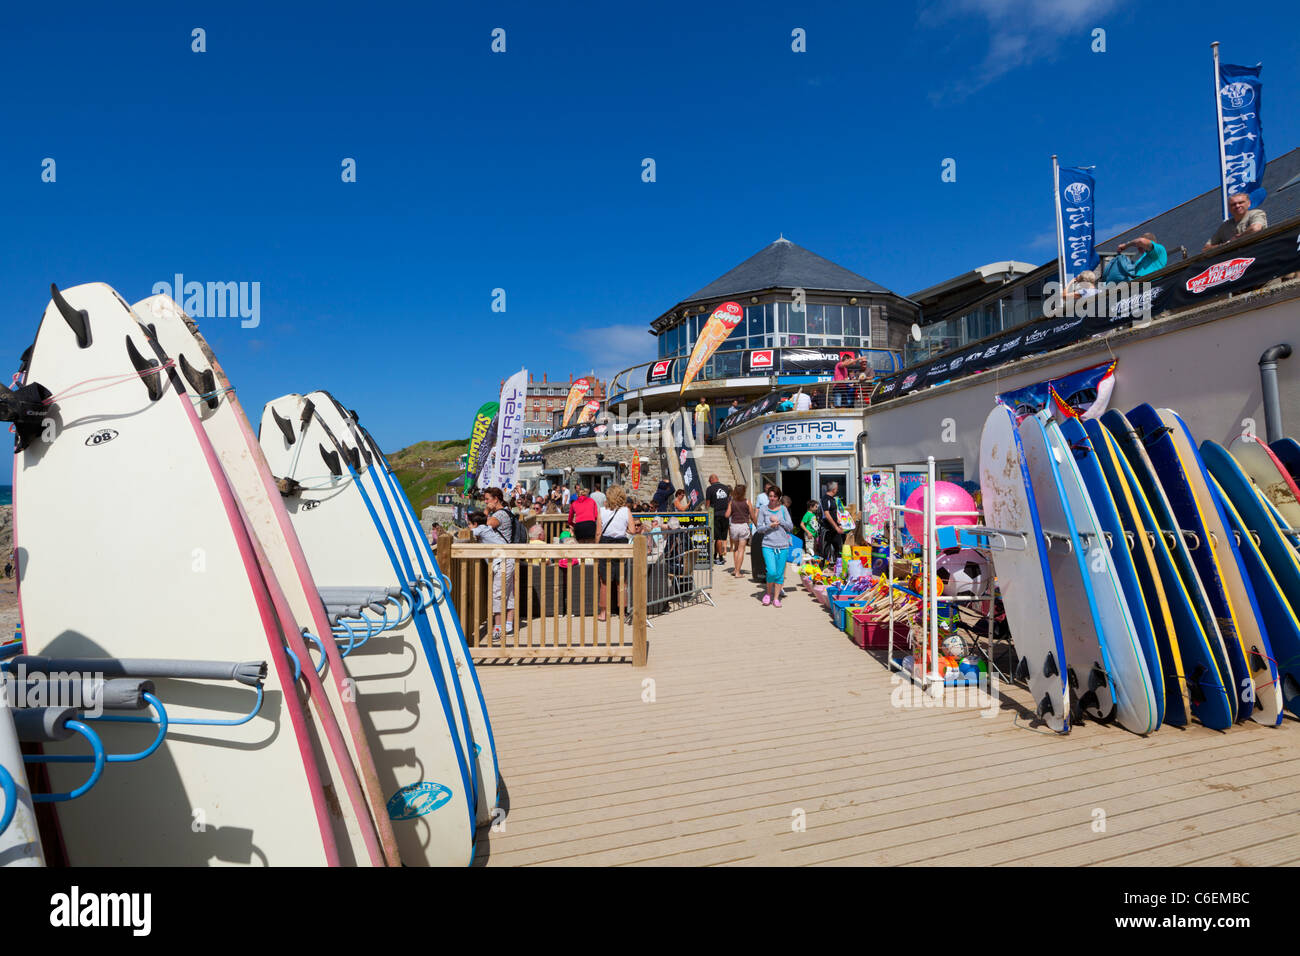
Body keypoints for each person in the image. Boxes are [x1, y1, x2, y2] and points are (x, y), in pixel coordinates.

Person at [477, 488, 518, 642]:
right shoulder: (507, 512)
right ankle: (507, 624)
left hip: (502, 559)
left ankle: (498, 628)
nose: (485, 502)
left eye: (487, 499)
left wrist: (486, 510)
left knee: (498, 593)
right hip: (507, 558)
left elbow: (484, 525)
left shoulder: (499, 515)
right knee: (507, 592)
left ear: (496, 499)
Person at [597, 484, 639, 622]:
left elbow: (598, 533)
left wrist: (597, 547)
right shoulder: (626, 510)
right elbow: (633, 530)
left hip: (605, 545)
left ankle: (603, 613)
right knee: (622, 581)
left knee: (604, 581)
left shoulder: (602, 510)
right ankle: (623, 612)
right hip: (621, 544)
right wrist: (622, 529)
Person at [757, 487, 794, 607]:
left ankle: (776, 598)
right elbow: (759, 528)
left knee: (779, 574)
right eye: (770, 496)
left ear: (779, 497)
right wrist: (770, 525)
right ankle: (768, 594)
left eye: (774, 496)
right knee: (771, 571)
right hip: (768, 544)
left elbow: (790, 527)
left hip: (783, 545)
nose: (772, 499)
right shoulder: (763, 509)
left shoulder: (783, 509)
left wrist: (780, 521)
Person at [725, 483, 752, 577]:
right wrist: (757, 524)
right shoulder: (747, 502)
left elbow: (727, 515)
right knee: (741, 550)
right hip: (743, 526)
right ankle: (737, 572)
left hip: (734, 527)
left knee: (736, 549)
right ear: (744, 492)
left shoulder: (732, 502)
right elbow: (752, 516)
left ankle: (735, 569)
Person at [705, 473, 730, 565]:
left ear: (711, 480)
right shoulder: (726, 488)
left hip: (715, 515)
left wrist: (707, 511)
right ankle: (715, 555)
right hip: (725, 514)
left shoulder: (710, 489)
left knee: (718, 538)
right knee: (722, 537)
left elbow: (707, 504)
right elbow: (728, 501)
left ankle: (720, 558)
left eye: (709, 480)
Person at [819, 481, 844, 563]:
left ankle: (838, 567)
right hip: (827, 529)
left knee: (839, 548)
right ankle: (822, 569)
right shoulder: (825, 499)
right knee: (825, 550)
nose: (837, 490)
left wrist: (839, 524)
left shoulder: (833, 499)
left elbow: (833, 514)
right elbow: (826, 514)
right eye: (836, 489)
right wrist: (836, 527)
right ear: (833, 489)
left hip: (834, 529)